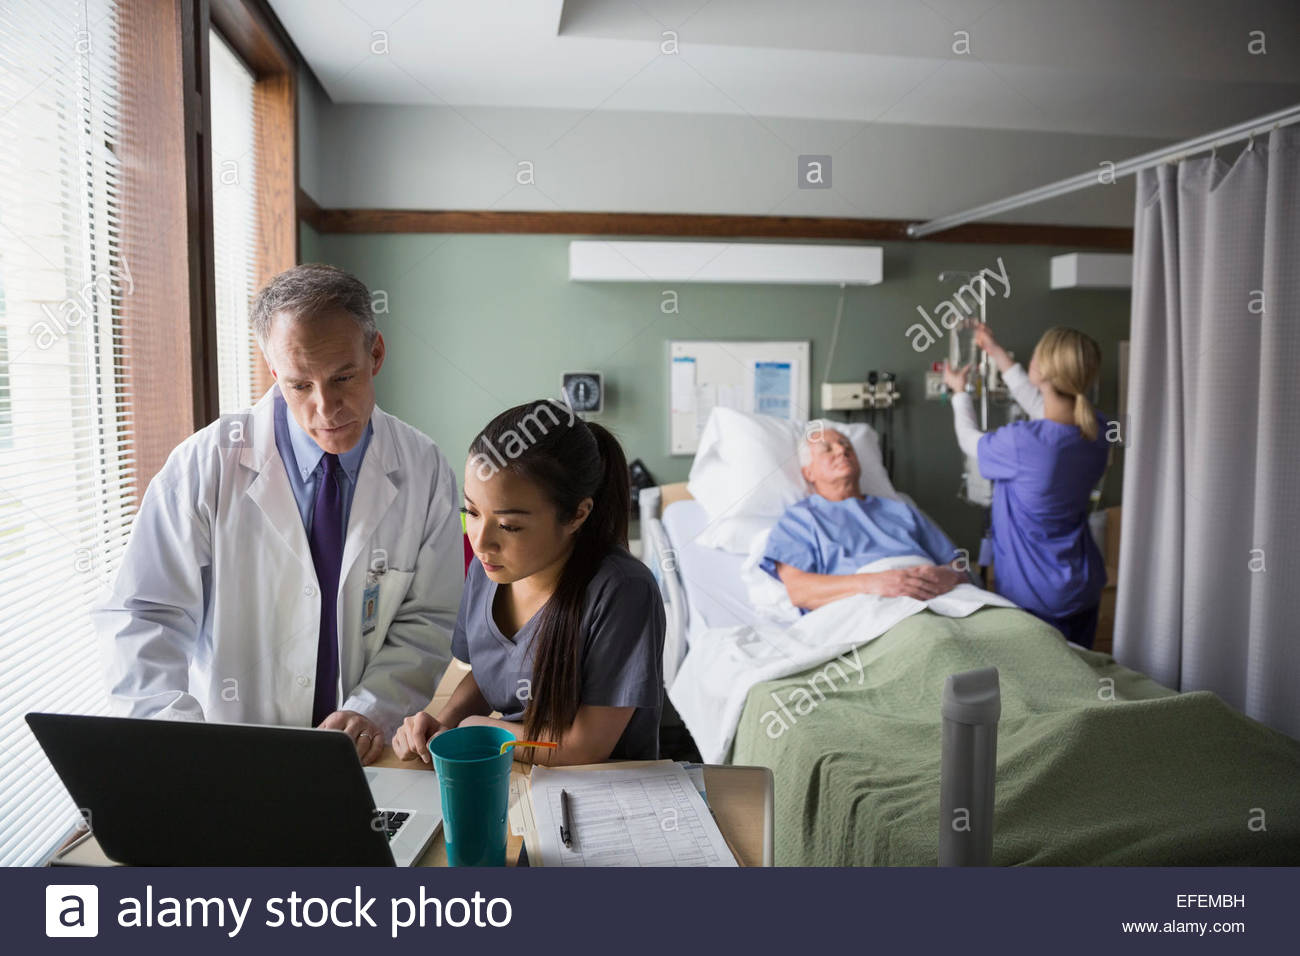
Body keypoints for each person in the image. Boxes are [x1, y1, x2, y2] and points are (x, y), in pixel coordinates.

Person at [95, 264, 463, 765]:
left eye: (343, 378)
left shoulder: (424, 469)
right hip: (229, 758)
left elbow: (428, 618)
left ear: (375, 353)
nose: (326, 408)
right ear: (273, 372)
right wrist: (176, 737)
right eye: (299, 386)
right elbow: (143, 617)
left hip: (365, 759)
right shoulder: (205, 466)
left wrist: (372, 708)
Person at [391, 401, 665, 766]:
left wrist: (483, 732)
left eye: (509, 526)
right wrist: (444, 721)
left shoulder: (623, 592)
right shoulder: (487, 571)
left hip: (604, 794)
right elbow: (492, 674)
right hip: (517, 775)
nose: (481, 542)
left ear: (576, 515)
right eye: (471, 512)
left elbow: (587, 745)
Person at [942, 325, 1109, 648]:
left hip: (1036, 595)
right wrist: (993, 348)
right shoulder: (1096, 429)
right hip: (1082, 585)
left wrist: (959, 393)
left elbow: (968, 441)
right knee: (1081, 682)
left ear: (1044, 369)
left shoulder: (1024, 442)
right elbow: (1041, 404)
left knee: (1041, 686)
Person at [762, 425, 971, 612]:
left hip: (940, 595)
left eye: (847, 447)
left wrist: (949, 575)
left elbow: (959, 565)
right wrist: (872, 583)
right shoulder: (799, 520)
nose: (842, 451)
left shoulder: (901, 510)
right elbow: (800, 591)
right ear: (809, 473)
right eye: (827, 449)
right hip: (869, 604)